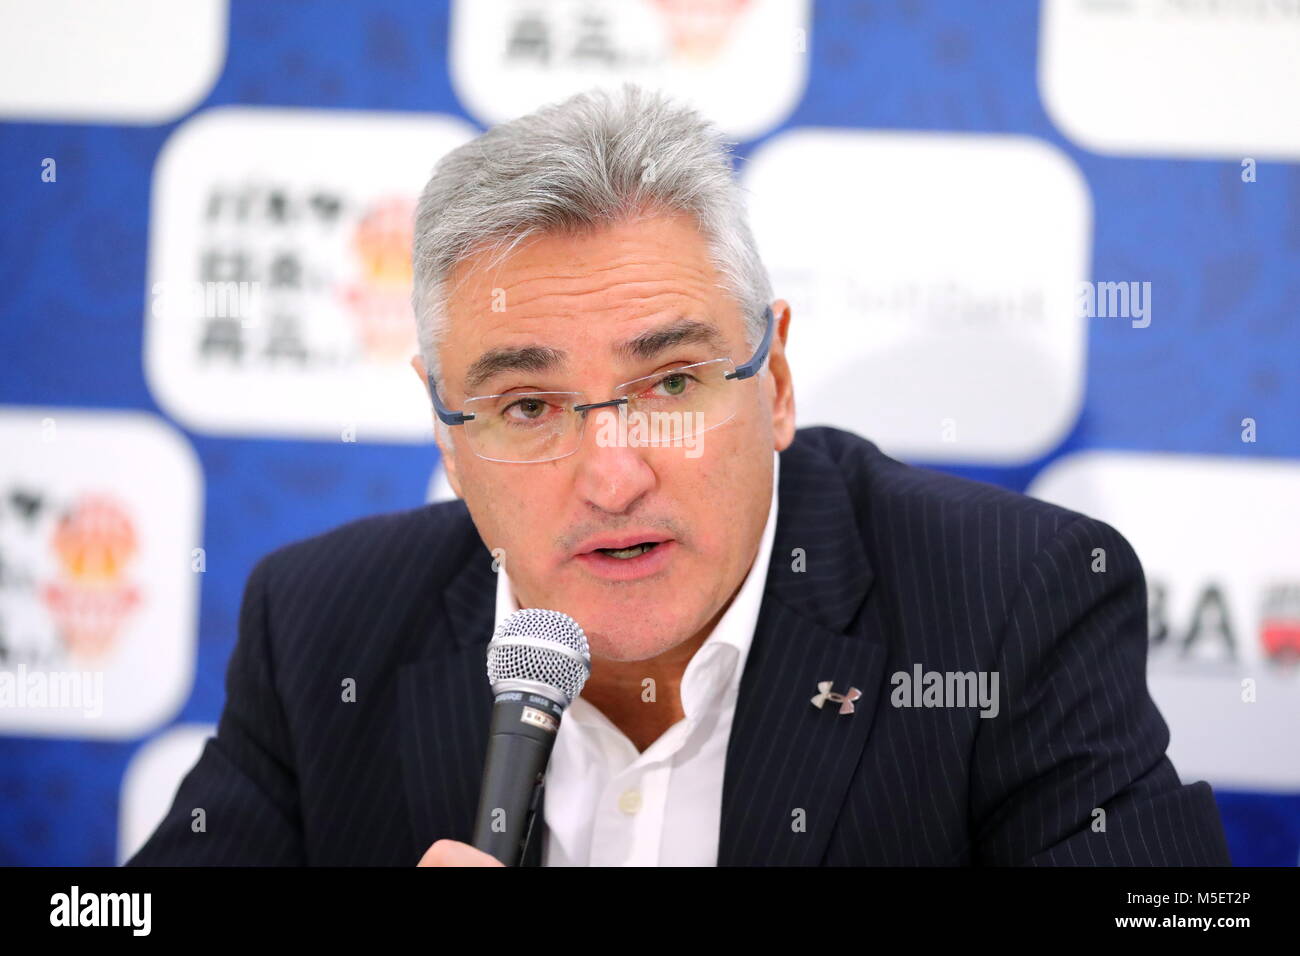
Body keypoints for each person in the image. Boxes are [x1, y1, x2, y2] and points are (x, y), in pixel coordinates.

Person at [127, 83, 1231, 867]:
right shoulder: (322, 627)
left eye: (668, 384)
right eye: (527, 406)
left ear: (776, 380)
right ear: (447, 436)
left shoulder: (1006, 602)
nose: (613, 476)